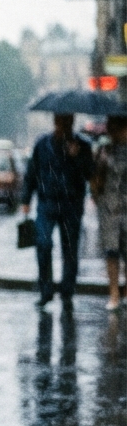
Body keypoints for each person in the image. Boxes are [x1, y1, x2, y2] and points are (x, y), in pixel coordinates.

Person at [21, 113, 94, 307]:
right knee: (43, 244)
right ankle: (46, 290)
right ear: (55, 121)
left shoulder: (82, 145)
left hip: (72, 205)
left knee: (70, 249)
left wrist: (77, 157)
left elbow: (89, 173)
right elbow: (32, 172)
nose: (64, 126)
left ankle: (67, 291)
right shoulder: (42, 144)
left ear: (72, 122)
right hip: (47, 202)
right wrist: (26, 199)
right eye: (61, 121)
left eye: (68, 122)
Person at [91, 114, 127, 309]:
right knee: (111, 252)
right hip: (109, 208)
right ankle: (114, 293)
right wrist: (98, 197)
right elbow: (95, 178)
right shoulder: (104, 150)